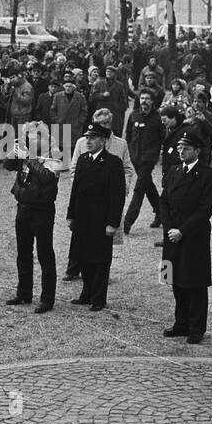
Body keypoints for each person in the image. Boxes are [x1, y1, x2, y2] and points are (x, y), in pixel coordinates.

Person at [159, 131, 212, 344]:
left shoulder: (209, 175)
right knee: (175, 280)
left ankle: (196, 327)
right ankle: (181, 323)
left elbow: (205, 210)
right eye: (179, 148)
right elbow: (164, 200)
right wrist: (169, 228)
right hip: (172, 235)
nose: (181, 151)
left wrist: (182, 231)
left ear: (197, 150)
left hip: (193, 237)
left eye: (185, 148)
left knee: (194, 282)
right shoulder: (173, 171)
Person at [66, 122, 125, 311]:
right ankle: (86, 293)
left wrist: (112, 223)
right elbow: (75, 190)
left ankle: (99, 298)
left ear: (103, 140)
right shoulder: (83, 159)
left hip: (101, 220)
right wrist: (71, 215)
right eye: (87, 138)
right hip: (83, 218)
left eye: (93, 138)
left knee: (99, 259)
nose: (88, 141)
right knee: (83, 256)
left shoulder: (113, 163)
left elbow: (117, 197)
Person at [3, 122, 59, 312]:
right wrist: (14, 151)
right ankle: (24, 293)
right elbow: (8, 166)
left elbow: (47, 177)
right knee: (23, 253)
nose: (27, 138)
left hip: (42, 210)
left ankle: (47, 299)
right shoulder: (24, 152)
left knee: (45, 254)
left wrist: (29, 157)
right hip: (23, 207)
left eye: (32, 135)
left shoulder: (53, 153)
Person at [123, 91, 164, 234]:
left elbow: (162, 137)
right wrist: (130, 152)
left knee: (139, 188)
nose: (144, 101)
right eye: (142, 98)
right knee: (147, 184)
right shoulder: (134, 115)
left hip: (149, 158)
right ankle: (161, 212)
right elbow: (128, 134)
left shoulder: (157, 118)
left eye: (147, 99)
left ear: (152, 101)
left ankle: (128, 221)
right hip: (136, 157)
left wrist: (156, 153)